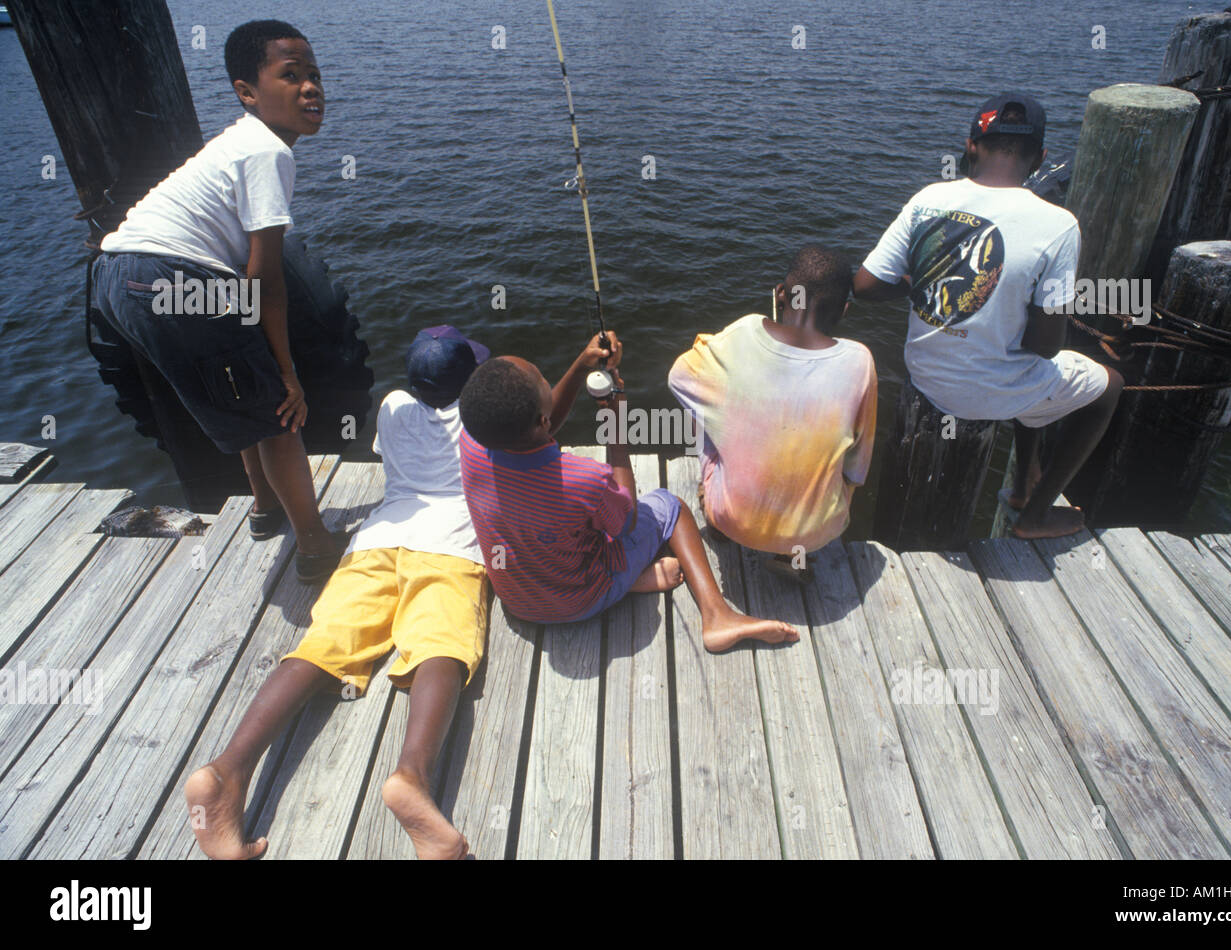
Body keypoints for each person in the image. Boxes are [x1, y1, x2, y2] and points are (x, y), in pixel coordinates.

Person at [183, 326, 492, 860]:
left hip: (377, 542)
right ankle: (412, 776)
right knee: (441, 642)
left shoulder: (393, 405)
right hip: (451, 548)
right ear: (471, 383)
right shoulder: (480, 418)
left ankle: (227, 770)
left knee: (321, 644)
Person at [92, 19, 344, 580]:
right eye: (291, 75)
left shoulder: (236, 143)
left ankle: (265, 507)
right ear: (246, 92)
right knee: (277, 408)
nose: (311, 87)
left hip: (117, 279)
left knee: (243, 389)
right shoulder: (266, 151)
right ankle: (315, 545)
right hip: (167, 276)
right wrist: (287, 373)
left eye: (315, 75)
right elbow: (265, 278)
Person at [854, 92, 1123, 539]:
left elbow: (865, 286)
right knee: (1109, 387)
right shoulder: (1059, 224)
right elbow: (1046, 346)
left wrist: (921, 283)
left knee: (1031, 370)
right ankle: (1035, 514)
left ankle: (1023, 483)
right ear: (1040, 157)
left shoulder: (928, 198)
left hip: (925, 377)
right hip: (989, 393)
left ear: (971, 146)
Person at [457, 333, 797, 652]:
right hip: (580, 600)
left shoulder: (472, 443)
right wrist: (616, 426)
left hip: (519, 600)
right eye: (543, 379)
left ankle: (633, 580)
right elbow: (626, 522)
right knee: (671, 506)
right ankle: (717, 615)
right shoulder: (582, 480)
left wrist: (581, 366)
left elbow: (538, 427)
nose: (546, 378)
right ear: (541, 421)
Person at [667, 244, 876, 577]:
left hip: (735, 520)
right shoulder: (860, 361)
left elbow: (678, 377)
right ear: (844, 311)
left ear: (780, 294)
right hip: (817, 532)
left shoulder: (743, 332)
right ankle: (793, 557)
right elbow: (857, 468)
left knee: (702, 412)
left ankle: (717, 522)